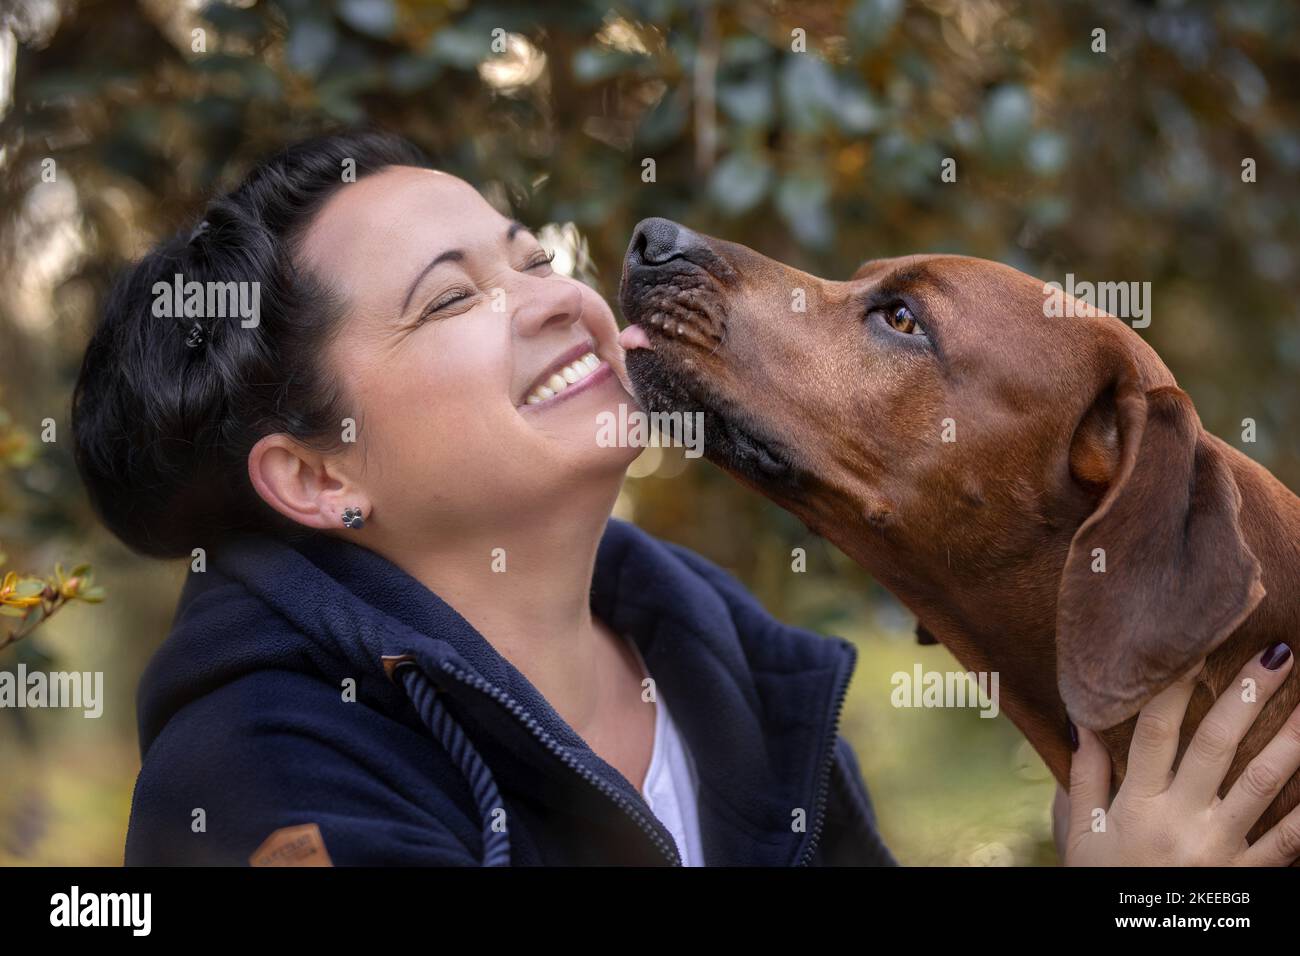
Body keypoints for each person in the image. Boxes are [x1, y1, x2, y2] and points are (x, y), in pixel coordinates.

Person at [70, 130, 1300, 866]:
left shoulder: (755, 690)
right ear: (317, 472)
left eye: (533, 256)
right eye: (452, 298)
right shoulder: (266, 778)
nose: (561, 293)